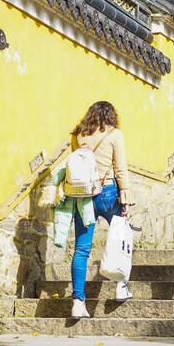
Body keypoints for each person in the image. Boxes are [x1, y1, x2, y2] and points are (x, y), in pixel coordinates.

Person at [70, 100, 132, 318]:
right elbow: (121, 168)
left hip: (84, 196)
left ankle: (78, 301)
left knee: (81, 249)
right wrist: (125, 197)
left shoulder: (79, 136)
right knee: (120, 239)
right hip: (107, 192)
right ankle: (120, 286)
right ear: (111, 116)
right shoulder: (115, 134)